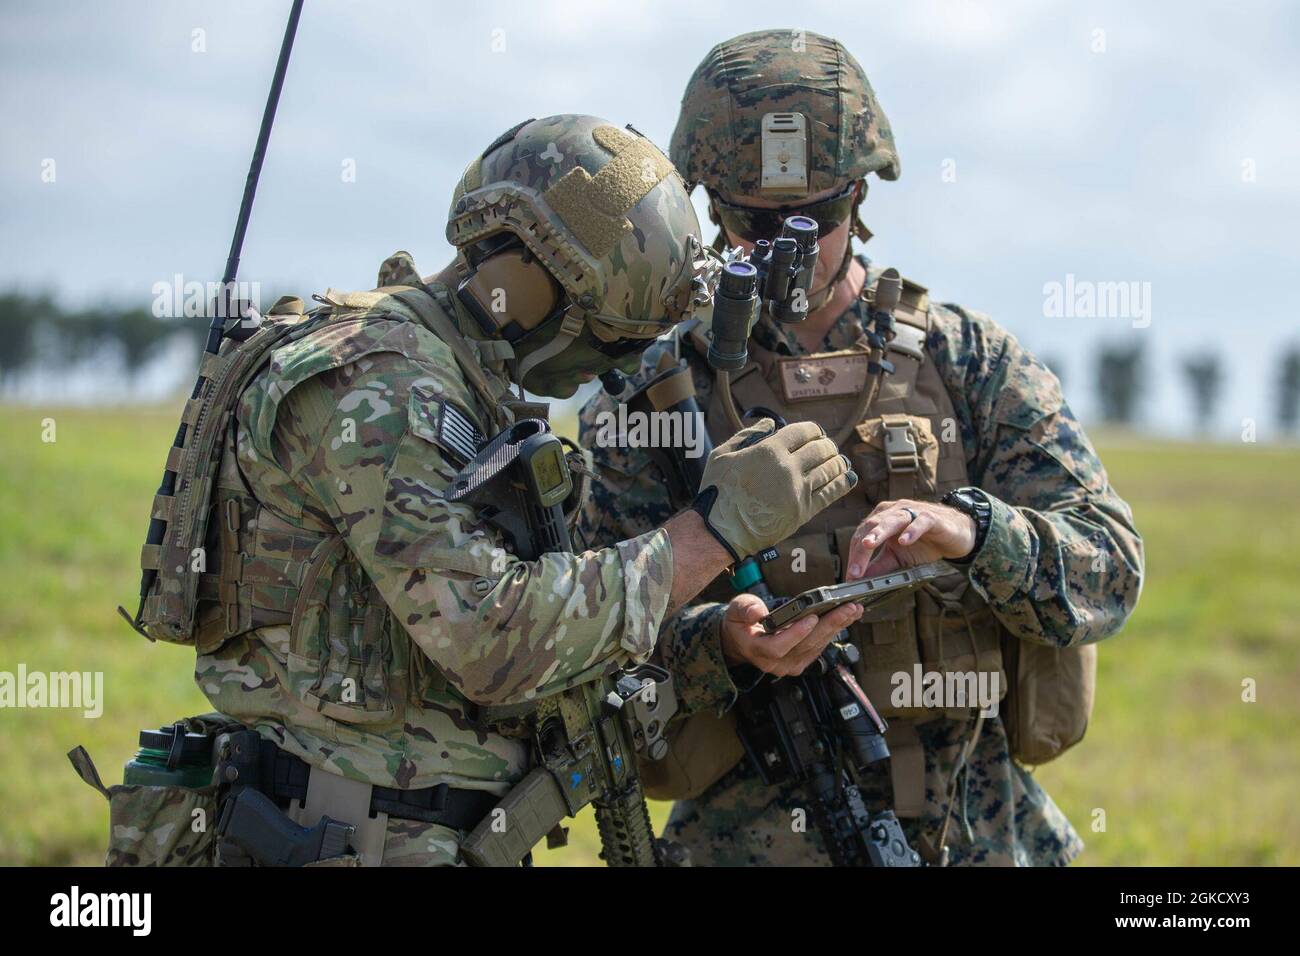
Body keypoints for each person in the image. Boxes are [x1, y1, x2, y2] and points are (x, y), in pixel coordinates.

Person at [96, 114, 856, 867]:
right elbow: (491, 640)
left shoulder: (459, 383)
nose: (608, 369)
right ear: (526, 288)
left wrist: (715, 642)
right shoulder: (379, 386)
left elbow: (543, 636)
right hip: (337, 834)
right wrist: (708, 535)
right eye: (610, 337)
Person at [577, 32, 1145, 866]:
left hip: (974, 828)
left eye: (815, 218)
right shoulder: (658, 390)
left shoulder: (966, 360)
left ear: (859, 197)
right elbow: (577, 631)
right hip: (747, 837)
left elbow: (1112, 569)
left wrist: (974, 533)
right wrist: (721, 643)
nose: (786, 248)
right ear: (708, 206)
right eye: (753, 220)